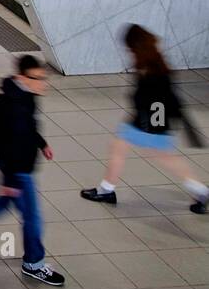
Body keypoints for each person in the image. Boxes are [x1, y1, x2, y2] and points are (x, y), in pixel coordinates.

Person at [81, 24, 208, 214]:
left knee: (154, 154)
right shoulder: (154, 60)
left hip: (151, 120)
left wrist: (150, 126)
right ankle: (201, 191)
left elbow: (153, 99)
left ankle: (106, 190)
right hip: (151, 118)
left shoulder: (149, 67)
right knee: (129, 149)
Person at [0, 55, 65, 286]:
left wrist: (41, 143)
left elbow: (28, 128)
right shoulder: (12, 106)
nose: (43, 83)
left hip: (18, 166)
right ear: (22, 77)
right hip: (18, 169)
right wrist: (11, 180)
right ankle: (34, 263)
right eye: (38, 78)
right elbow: (10, 143)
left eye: (44, 78)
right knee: (33, 218)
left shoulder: (26, 95)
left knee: (2, 203)